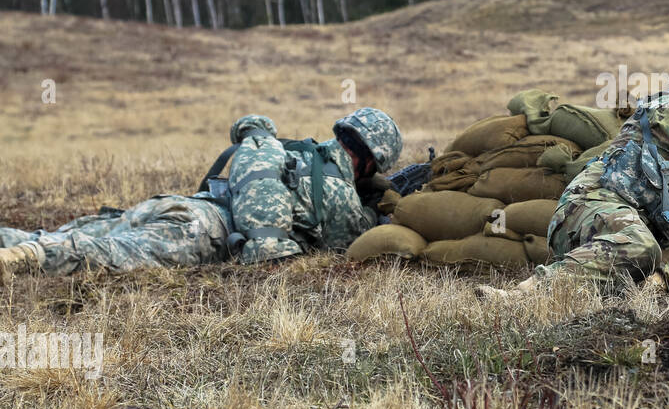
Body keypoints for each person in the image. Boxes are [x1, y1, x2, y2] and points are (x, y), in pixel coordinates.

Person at [478, 26, 669, 303]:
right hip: (593, 208)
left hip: (639, 234)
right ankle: (520, 297)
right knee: (641, 247)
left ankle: (650, 291)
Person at [0, 107, 402, 278]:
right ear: (370, 161)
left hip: (185, 204)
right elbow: (357, 241)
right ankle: (28, 258)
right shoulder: (341, 196)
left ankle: (22, 244)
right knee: (110, 255)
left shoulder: (295, 151)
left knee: (84, 231)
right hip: (201, 232)